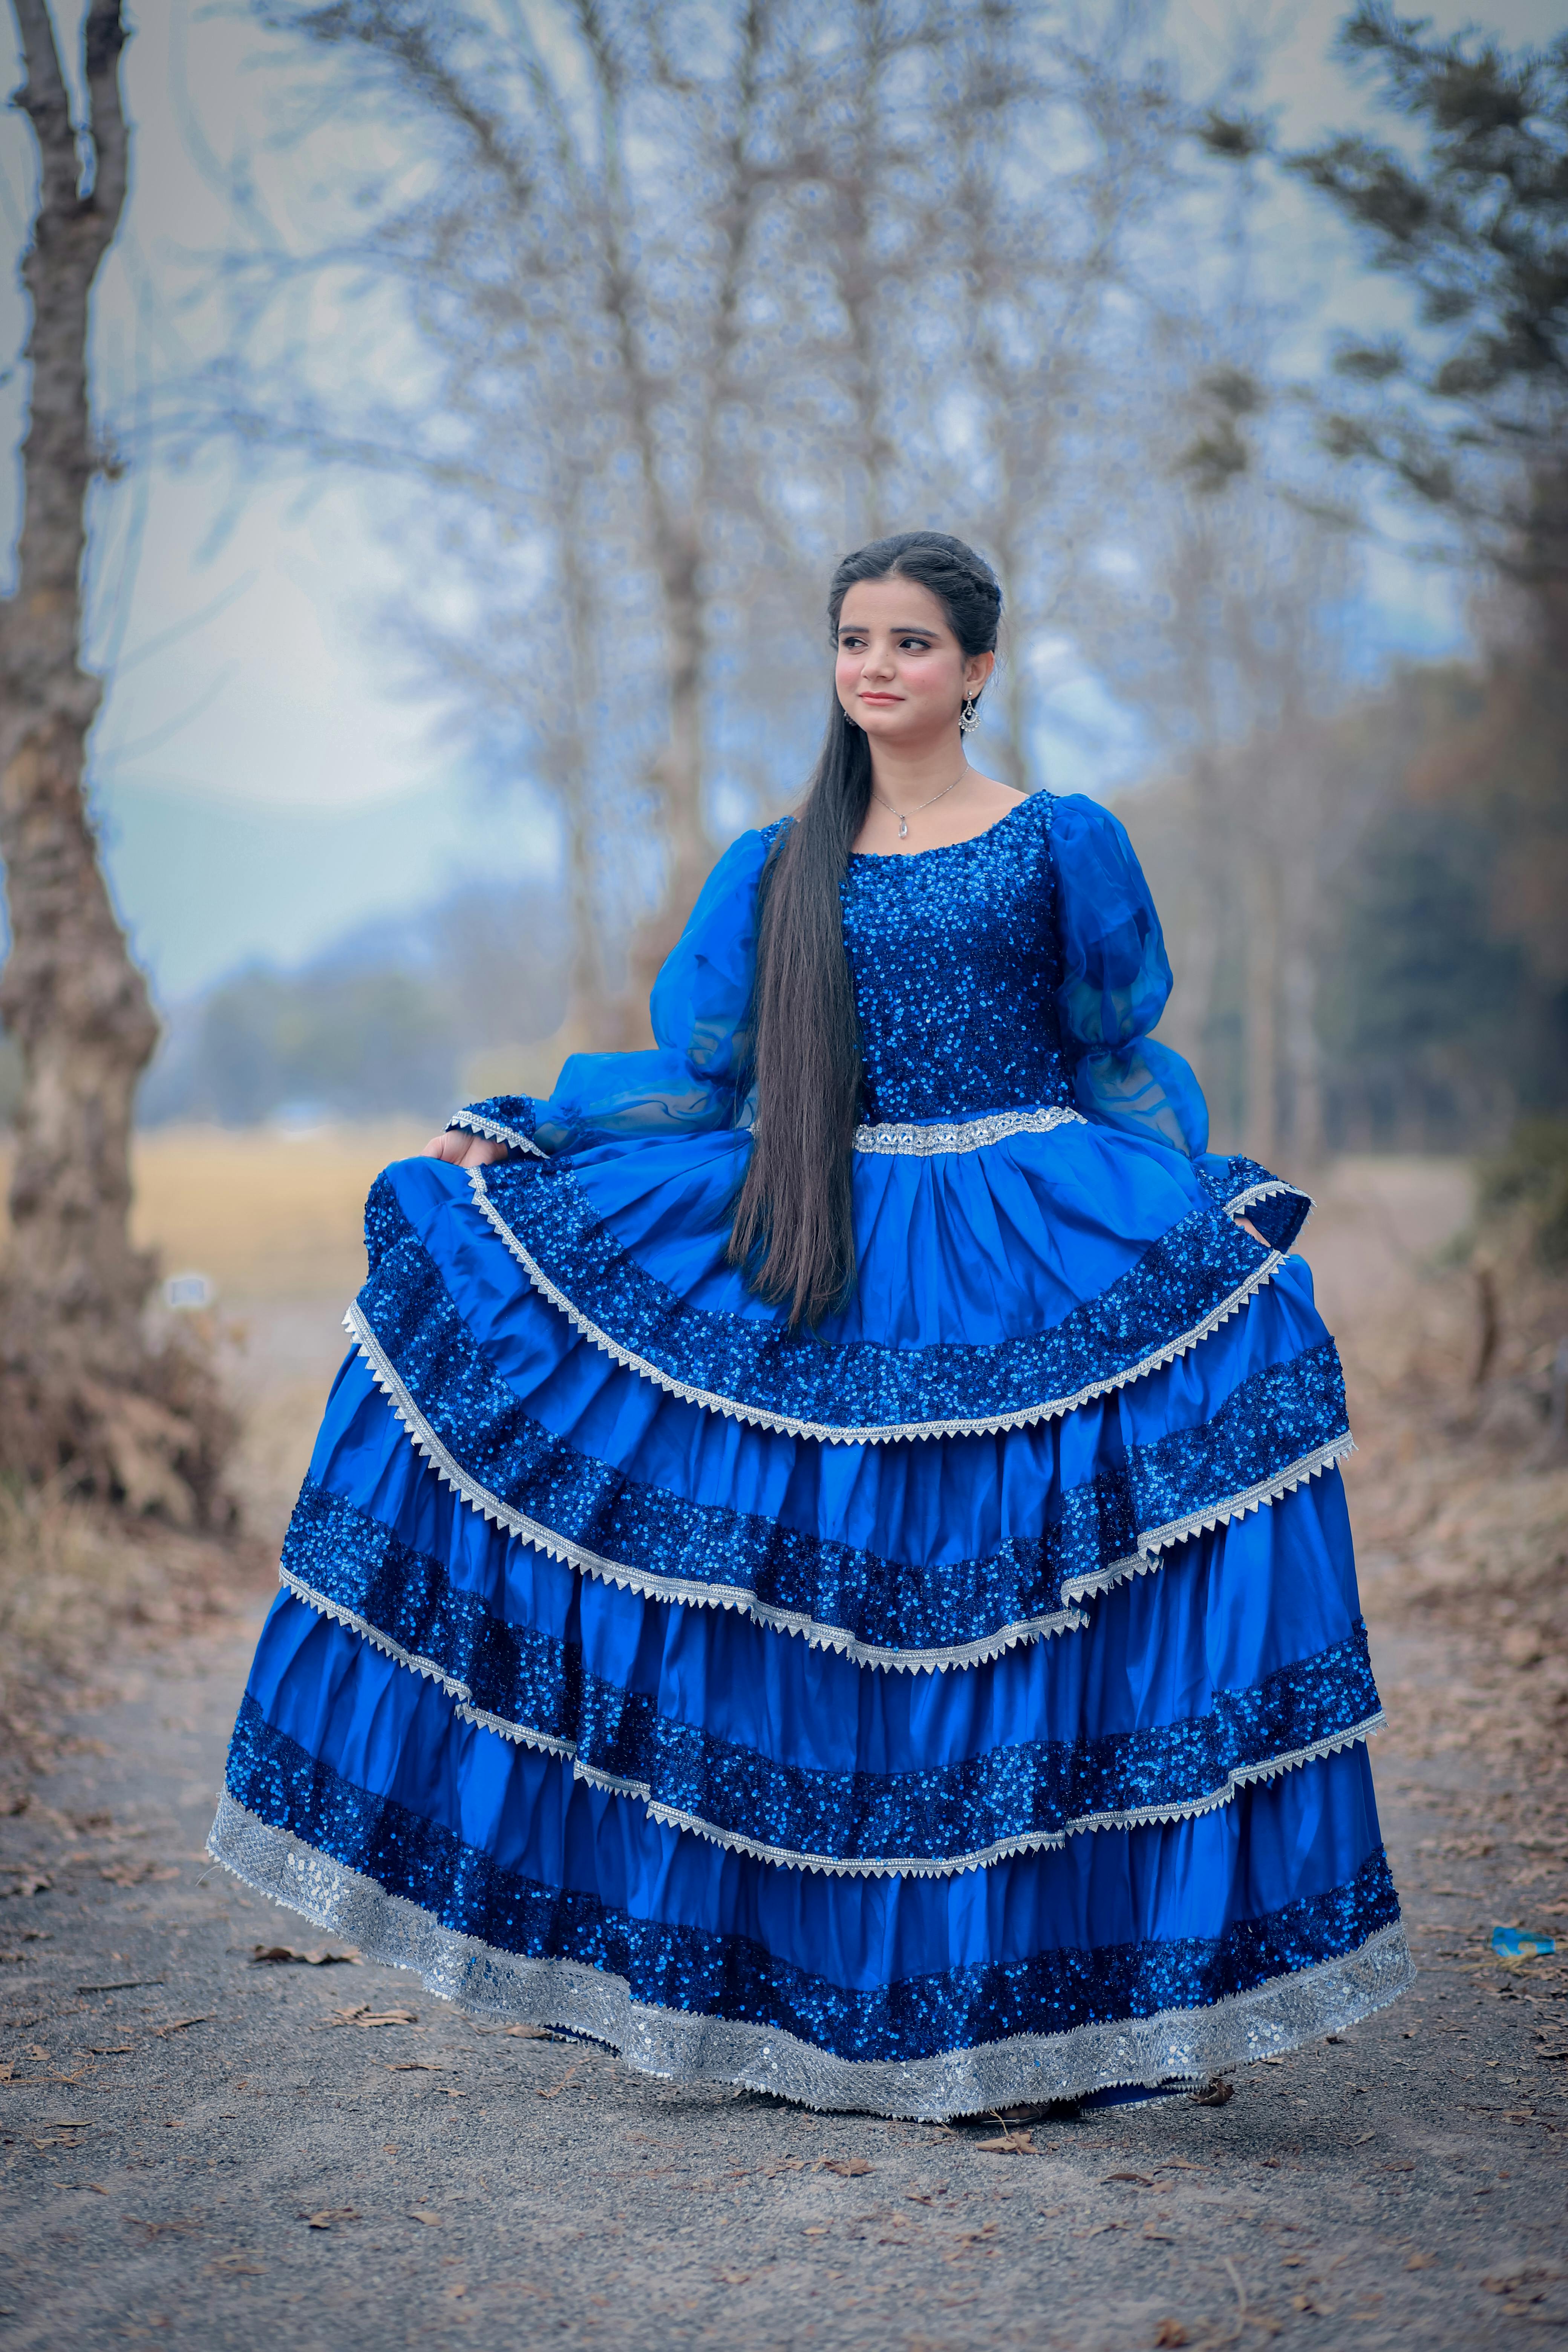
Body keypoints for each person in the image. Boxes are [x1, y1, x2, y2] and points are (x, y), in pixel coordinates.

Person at [208, 530, 1410, 2120]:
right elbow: (702, 1078)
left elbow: (1115, 1052)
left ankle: (1036, 1988)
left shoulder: (1061, 839)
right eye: (855, 640)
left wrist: (1191, 1214)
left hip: (1027, 1227)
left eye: (910, 643)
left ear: (976, 668)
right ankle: (813, 1986)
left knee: (1004, 1609)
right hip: (823, 1233)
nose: (875, 668)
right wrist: (534, 1134)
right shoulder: (777, 865)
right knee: (815, 1623)